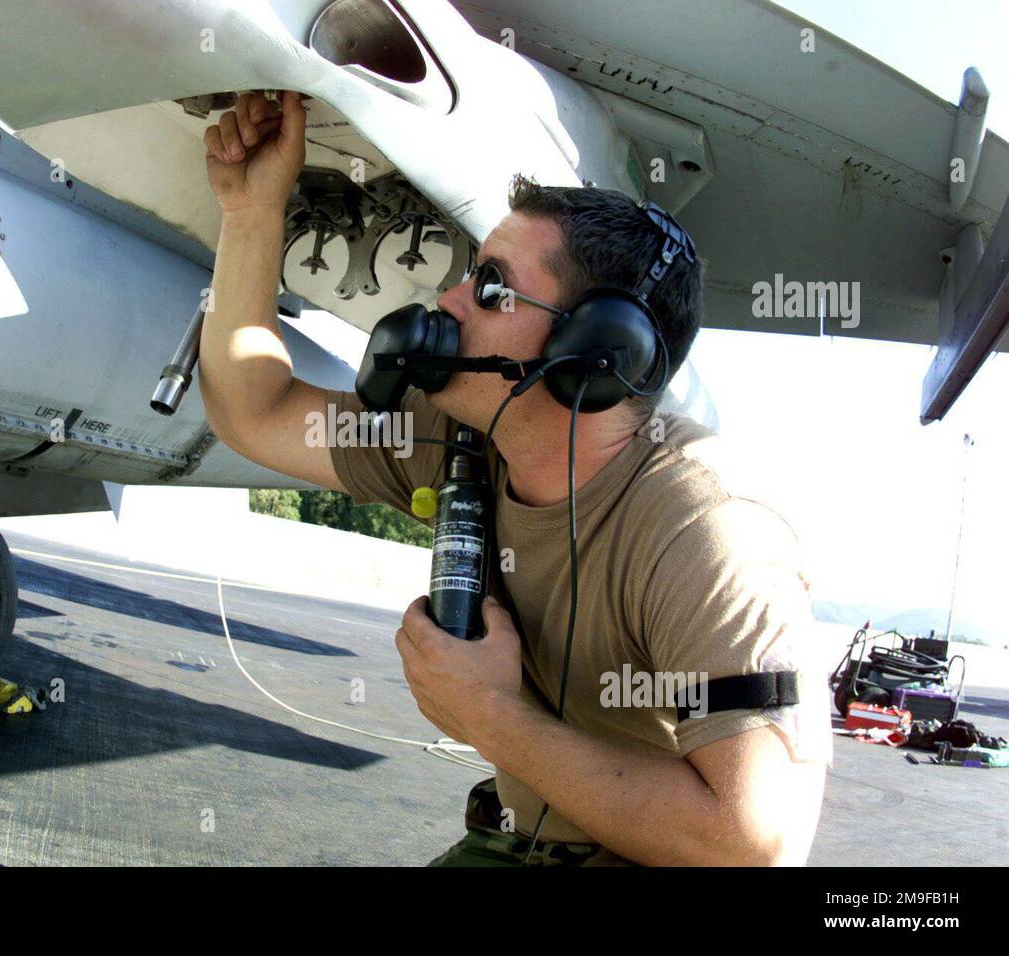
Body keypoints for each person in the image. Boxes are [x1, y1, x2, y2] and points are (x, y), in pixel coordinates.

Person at [199, 90, 829, 866]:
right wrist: (250, 213)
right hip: (512, 839)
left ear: (596, 352)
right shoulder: (466, 439)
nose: (449, 298)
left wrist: (491, 718)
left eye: (492, 286)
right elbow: (252, 410)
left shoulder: (710, 529)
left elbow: (752, 843)